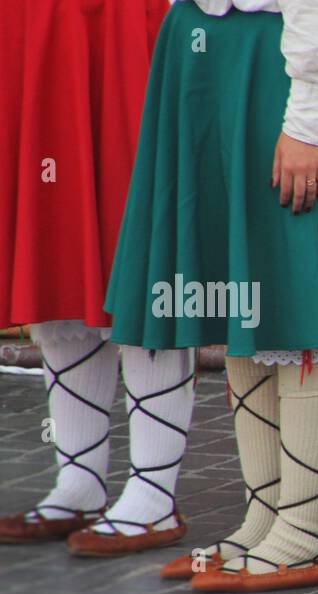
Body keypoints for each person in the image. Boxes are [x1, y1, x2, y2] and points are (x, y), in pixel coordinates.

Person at [106, 0, 318, 593]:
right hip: (204, 57)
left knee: (296, 292)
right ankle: (264, 514)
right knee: (242, 293)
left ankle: (302, 532)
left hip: (279, 63)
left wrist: (305, 121)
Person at [0, 0, 196, 558]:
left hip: (132, 21)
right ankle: (79, 479)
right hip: (36, 24)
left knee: (137, 239)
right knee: (57, 242)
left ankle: (154, 491)